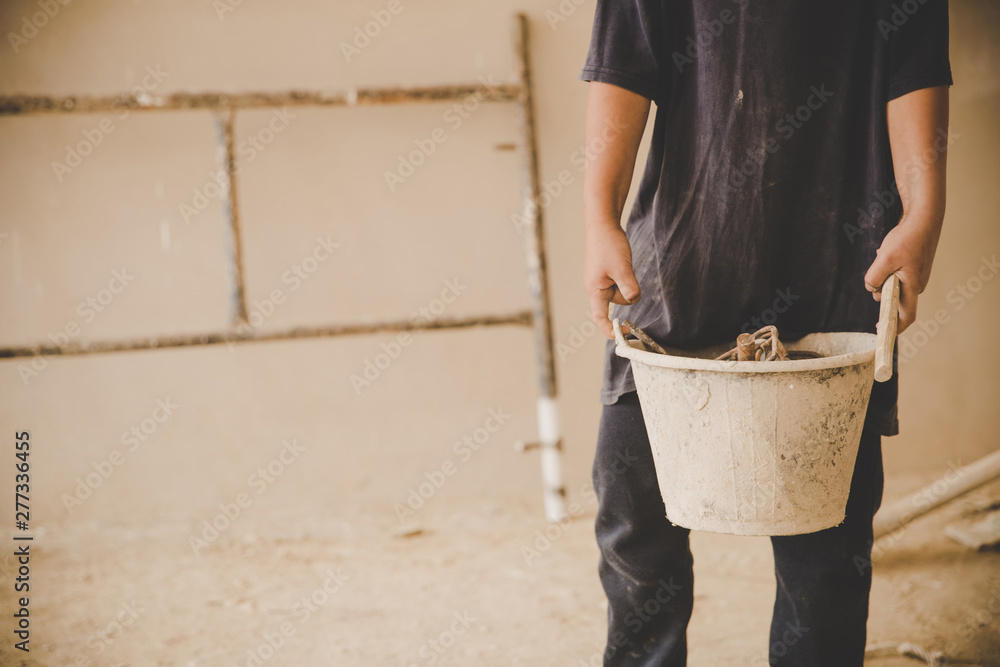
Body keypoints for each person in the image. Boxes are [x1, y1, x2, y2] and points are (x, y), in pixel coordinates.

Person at [580, 1, 952, 665]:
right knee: (636, 520)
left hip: (838, 263)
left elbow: (913, 67)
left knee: (826, 552)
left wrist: (924, 213)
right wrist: (598, 218)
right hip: (680, 258)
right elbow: (624, 62)